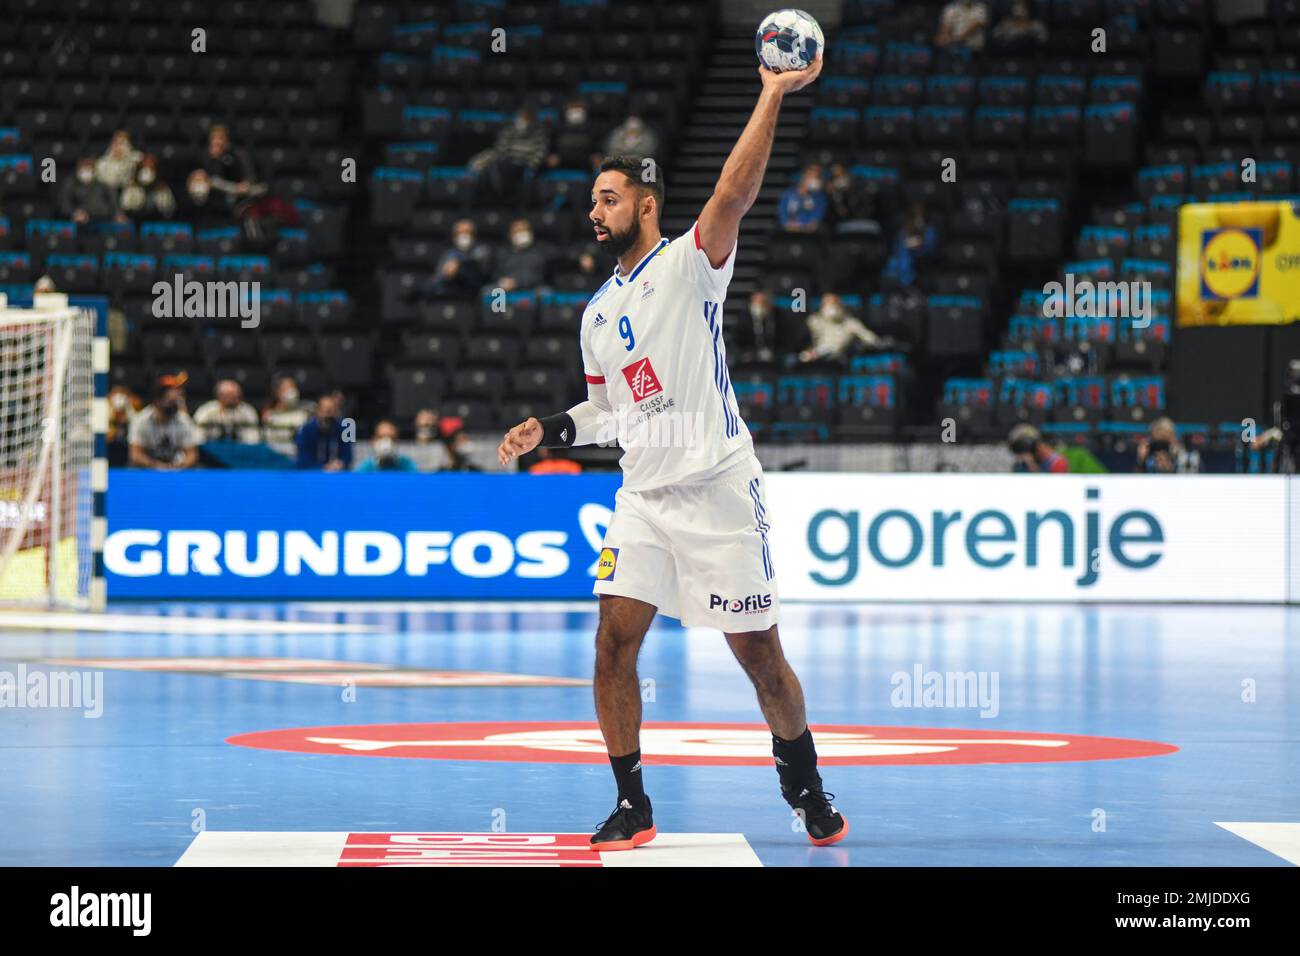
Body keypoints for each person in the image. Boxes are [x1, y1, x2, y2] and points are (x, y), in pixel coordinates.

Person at [497, 54, 847, 853]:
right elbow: (608, 414)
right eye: (591, 198)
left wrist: (770, 92)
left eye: (609, 197)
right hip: (645, 501)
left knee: (760, 657)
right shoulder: (594, 313)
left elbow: (734, 192)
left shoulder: (692, 265)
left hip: (719, 489)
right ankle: (634, 803)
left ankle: (804, 782)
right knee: (612, 643)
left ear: (646, 206)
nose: (595, 209)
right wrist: (545, 430)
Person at [468, 106, 549, 205]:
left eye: (525, 118)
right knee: (488, 167)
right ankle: (487, 198)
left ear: (531, 119)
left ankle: (499, 197)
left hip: (522, 163)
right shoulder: (510, 130)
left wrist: (531, 167)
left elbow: (539, 153)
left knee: (496, 167)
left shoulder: (538, 132)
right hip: (506, 161)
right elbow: (500, 149)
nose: (521, 120)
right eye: (520, 117)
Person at [128, 379, 199, 470]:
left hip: (176, 468)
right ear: (157, 401)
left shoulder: (183, 420)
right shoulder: (141, 420)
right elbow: (135, 455)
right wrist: (155, 465)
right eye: (170, 402)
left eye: (175, 402)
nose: (174, 406)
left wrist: (179, 467)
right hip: (148, 470)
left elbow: (192, 455)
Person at [422, 219, 494, 299]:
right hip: (451, 289)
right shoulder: (448, 254)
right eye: (460, 233)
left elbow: (483, 272)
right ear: (454, 236)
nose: (464, 235)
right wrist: (446, 273)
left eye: (468, 232)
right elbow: (438, 276)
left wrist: (458, 266)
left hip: (473, 291)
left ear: (474, 235)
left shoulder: (482, 251)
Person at [799, 293, 880, 363]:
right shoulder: (814, 320)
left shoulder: (851, 323)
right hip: (815, 359)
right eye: (827, 303)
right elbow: (801, 339)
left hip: (839, 360)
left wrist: (873, 343)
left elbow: (871, 339)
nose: (830, 307)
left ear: (840, 305)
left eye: (833, 303)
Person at [882, 201, 938, 289]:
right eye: (915, 216)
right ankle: (899, 281)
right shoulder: (905, 230)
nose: (918, 219)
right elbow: (898, 245)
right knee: (896, 259)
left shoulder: (930, 230)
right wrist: (911, 243)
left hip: (923, 257)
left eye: (920, 216)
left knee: (904, 255)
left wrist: (917, 243)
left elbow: (929, 246)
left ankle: (904, 281)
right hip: (907, 256)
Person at [295, 393, 353, 471]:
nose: (327, 416)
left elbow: (348, 456)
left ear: (336, 412)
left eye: (331, 411)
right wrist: (322, 467)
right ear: (318, 411)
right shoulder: (307, 430)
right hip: (312, 473)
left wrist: (341, 463)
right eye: (324, 410)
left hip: (336, 472)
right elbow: (303, 459)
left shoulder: (344, 429)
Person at [192, 379, 261, 444]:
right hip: (211, 451)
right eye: (230, 395)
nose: (235, 398)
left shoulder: (248, 411)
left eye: (237, 395)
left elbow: (253, 440)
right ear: (220, 396)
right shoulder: (206, 411)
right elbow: (198, 438)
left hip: (241, 451)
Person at [492, 218, 546, 292]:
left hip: (533, 291)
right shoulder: (502, 253)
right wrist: (502, 281)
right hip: (506, 290)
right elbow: (496, 274)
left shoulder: (539, 253)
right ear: (510, 235)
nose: (521, 234)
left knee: (545, 292)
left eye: (524, 230)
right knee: (489, 291)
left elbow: (539, 276)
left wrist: (516, 283)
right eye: (517, 231)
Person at [118, 154, 176, 221]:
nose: (148, 164)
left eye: (151, 162)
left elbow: (169, 208)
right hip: (135, 216)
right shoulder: (132, 186)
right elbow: (125, 206)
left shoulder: (161, 186)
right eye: (146, 162)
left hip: (156, 218)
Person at [59, 158, 118, 224]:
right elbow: (64, 203)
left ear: (94, 171)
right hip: (78, 219)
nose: (86, 173)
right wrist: (75, 213)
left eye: (89, 170)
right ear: (78, 171)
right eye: (84, 170)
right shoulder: (72, 183)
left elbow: (110, 204)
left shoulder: (102, 184)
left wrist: (116, 214)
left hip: (101, 220)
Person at [262, 376, 314, 444]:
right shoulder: (270, 416)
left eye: (293, 387)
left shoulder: (303, 414)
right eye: (287, 388)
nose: (292, 391)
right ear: (278, 392)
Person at [777, 164, 826, 234]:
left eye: (815, 177)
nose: (812, 179)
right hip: (789, 228)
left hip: (808, 230)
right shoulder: (788, 193)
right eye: (810, 176)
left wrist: (804, 224)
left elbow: (817, 215)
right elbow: (782, 209)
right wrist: (786, 222)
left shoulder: (819, 197)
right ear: (804, 176)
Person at [355, 420, 419, 471]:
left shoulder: (407, 466)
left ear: (397, 441)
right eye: (381, 437)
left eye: (391, 438)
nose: (386, 441)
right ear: (373, 441)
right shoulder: (366, 468)